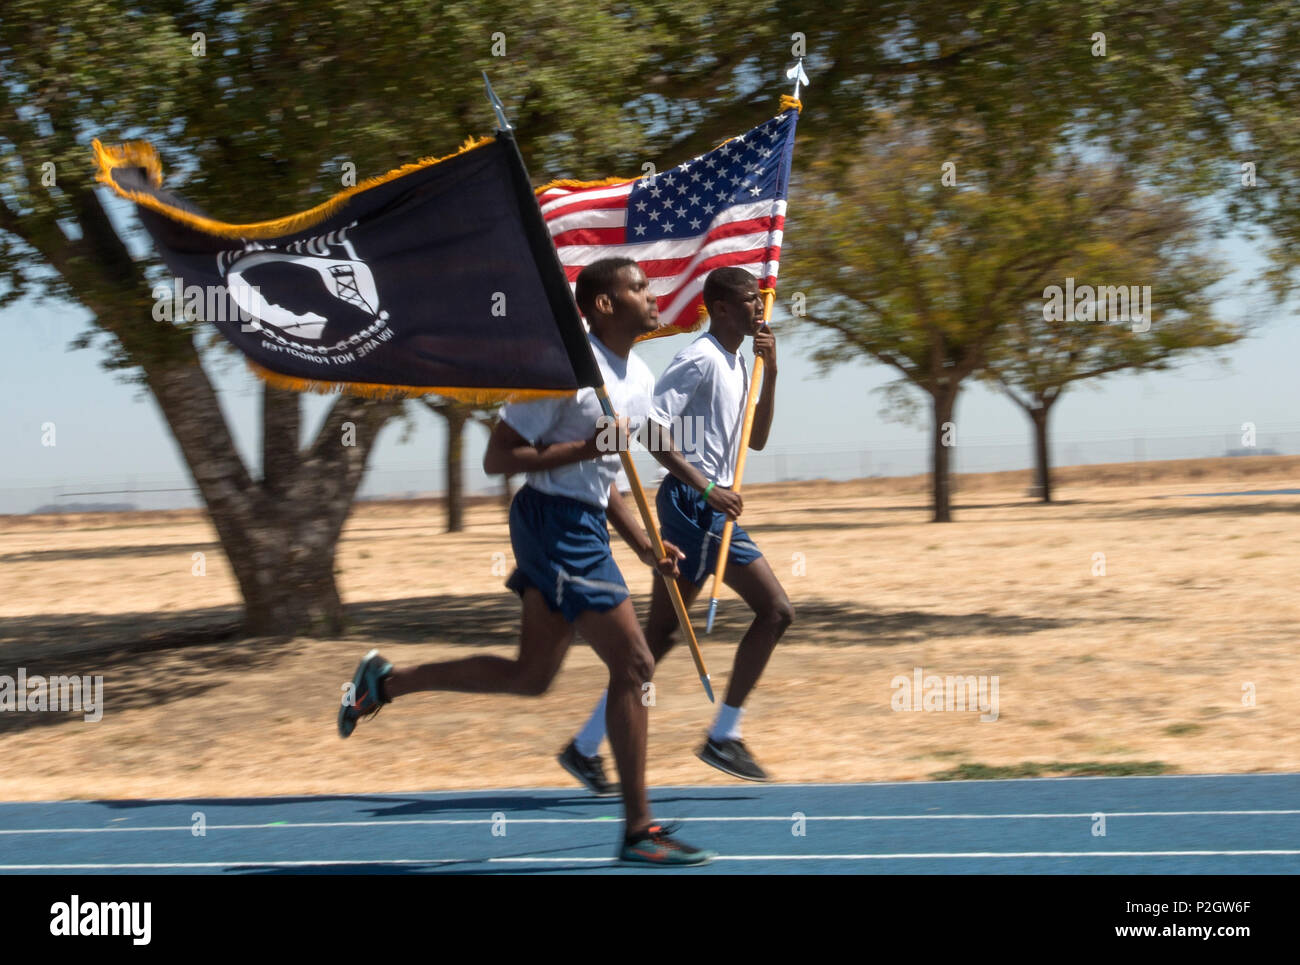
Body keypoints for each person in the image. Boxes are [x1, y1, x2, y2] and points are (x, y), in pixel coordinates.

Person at [337, 257, 714, 866]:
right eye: (638, 287)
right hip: (550, 521)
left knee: (530, 677)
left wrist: (645, 543)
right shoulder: (560, 369)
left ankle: (382, 683)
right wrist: (583, 445)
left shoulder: (637, 377)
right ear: (603, 305)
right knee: (636, 661)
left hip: (584, 520)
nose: (652, 294)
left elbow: (607, 479)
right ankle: (639, 830)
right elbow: (499, 458)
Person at [559, 266, 794, 790]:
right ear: (724, 309)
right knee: (776, 610)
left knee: (660, 637)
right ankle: (724, 736)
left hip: (710, 504)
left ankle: (583, 747)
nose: (761, 307)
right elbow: (648, 430)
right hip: (693, 504)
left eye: (760, 299)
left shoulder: (738, 364)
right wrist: (707, 488)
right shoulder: (699, 358)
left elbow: (754, 441)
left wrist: (771, 371)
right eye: (750, 300)